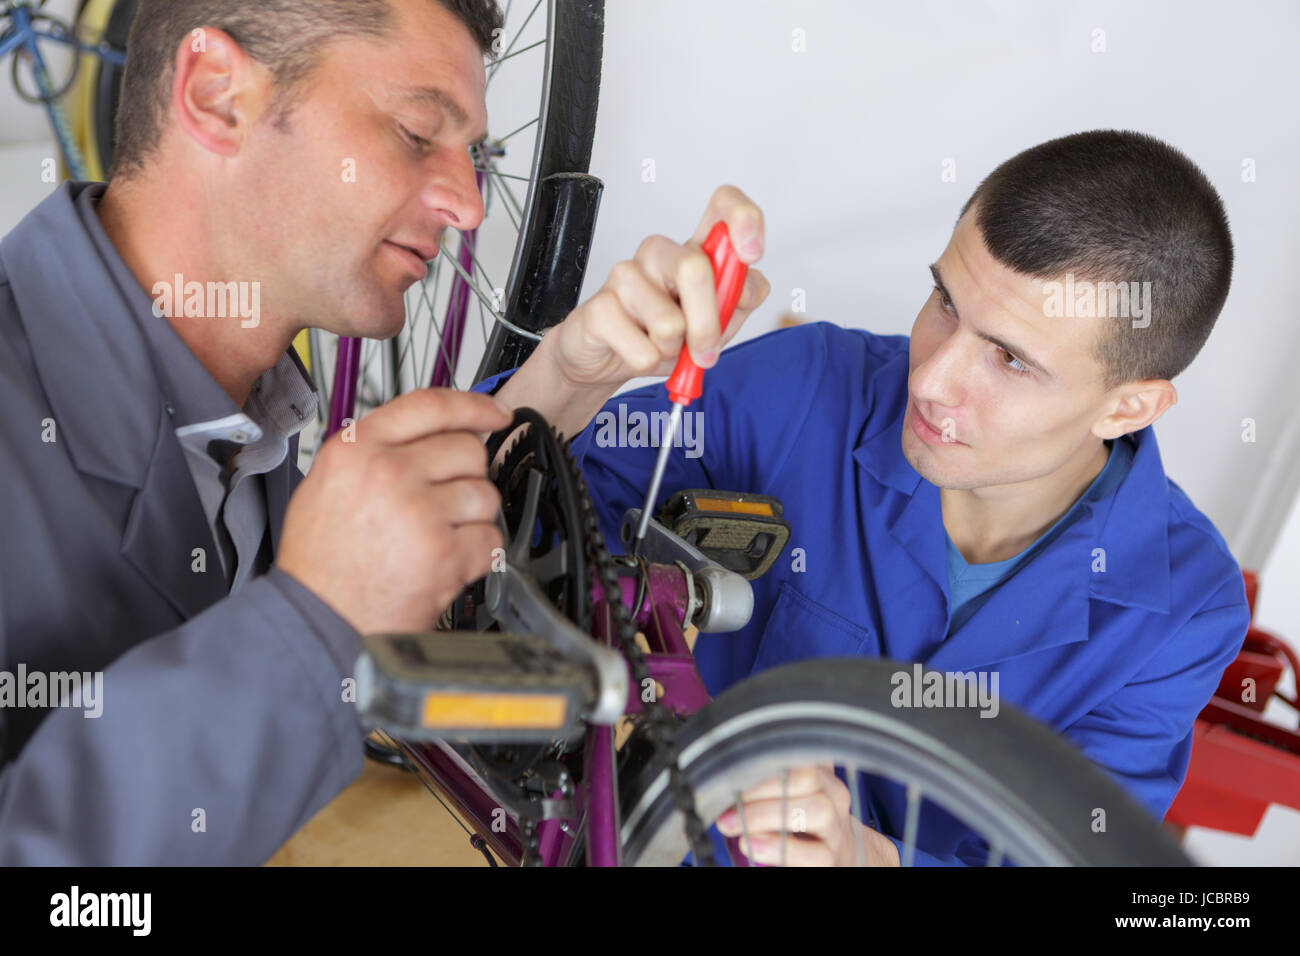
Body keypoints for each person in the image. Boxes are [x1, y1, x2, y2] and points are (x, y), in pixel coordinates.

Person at [0, 0, 769, 864]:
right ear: (217, 96)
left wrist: (568, 376)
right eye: (416, 132)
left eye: (473, 155)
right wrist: (311, 620)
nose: (470, 206)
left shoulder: (244, 421)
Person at [485, 129, 1251, 866]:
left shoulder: (1184, 604)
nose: (932, 379)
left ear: (1128, 409)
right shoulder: (807, 387)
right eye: (946, 301)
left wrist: (873, 858)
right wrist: (571, 377)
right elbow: (493, 539)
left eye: (1010, 360)